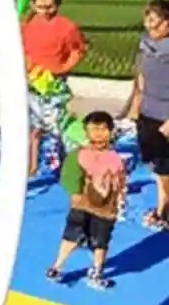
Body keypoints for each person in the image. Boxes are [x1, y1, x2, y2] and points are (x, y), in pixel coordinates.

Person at [47, 111, 126, 288]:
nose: (98, 134)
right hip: (83, 205)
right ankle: (57, 266)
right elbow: (69, 177)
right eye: (93, 129)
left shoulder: (116, 160)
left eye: (102, 129)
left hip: (105, 208)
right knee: (73, 236)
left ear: (110, 132)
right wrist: (76, 195)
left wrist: (121, 199)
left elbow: (119, 181)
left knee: (101, 242)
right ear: (86, 132)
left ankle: (96, 271)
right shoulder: (79, 155)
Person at [21, 0, 86, 176]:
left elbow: (78, 50)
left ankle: (66, 163)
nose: (44, 11)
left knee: (58, 125)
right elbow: (24, 50)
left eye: (49, 7)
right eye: (40, 6)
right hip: (33, 82)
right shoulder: (27, 26)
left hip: (54, 83)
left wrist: (64, 69)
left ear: (56, 5)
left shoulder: (66, 27)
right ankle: (32, 165)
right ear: (33, 5)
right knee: (33, 126)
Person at [127, 0, 169, 231]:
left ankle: (164, 211)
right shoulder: (146, 43)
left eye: (156, 20)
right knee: (158, 165)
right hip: (149, 112)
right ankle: (162, 208)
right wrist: (136, 103)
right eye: (148, 19)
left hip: (166, 114)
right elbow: (141, 74)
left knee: (165, 166)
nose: (150, 25)